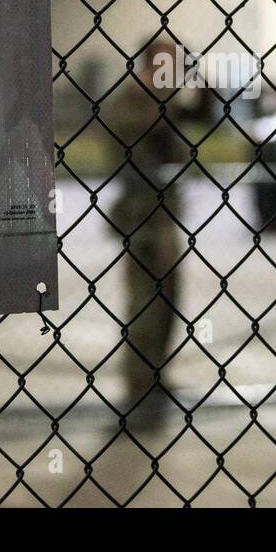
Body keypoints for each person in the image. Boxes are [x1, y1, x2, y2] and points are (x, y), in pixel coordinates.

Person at [107, 38, 191, 426]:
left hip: (163, 212)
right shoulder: (135, 97)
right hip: (141, 214)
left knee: (168, 297)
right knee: (145, 301)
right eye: (169, 60)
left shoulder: (166, 100)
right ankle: (138, 382)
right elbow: (119, 133)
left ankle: (156, 374)